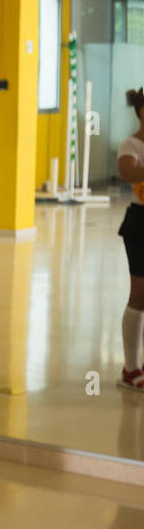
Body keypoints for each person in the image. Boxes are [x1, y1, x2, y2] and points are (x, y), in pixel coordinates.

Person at [117, 87, 144, 391]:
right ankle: (130, 368)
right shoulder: (130, 144)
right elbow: (128, 172)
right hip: (139, 225)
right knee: (140, 294)